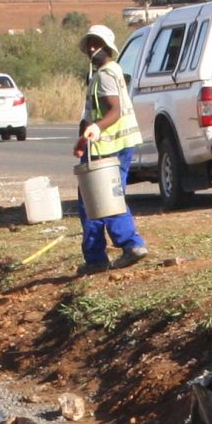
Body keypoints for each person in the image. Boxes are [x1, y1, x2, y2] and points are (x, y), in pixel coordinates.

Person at [74, 25, 148, 273]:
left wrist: (96, 128)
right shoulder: (106, 73)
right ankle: (122, 247)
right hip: (108, 145)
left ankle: (102, 256)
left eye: (97, 44)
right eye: (90, 44)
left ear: (108, 47)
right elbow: (93, 112)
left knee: (98, 199)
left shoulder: (105, 74)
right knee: (109, 196)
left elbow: (113, 111)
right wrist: (83, 138)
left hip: (109, 147)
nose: (92, 49)